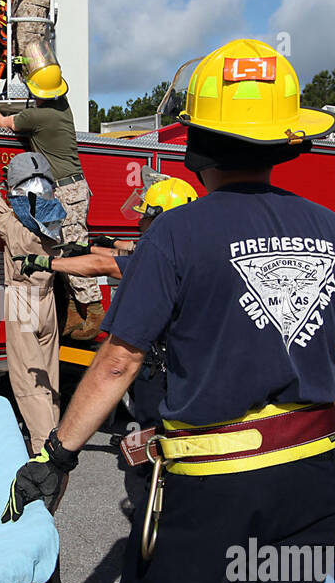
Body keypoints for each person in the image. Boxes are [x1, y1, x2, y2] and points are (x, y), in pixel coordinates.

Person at [1, 38, 335, 583]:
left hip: (206, 487)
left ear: (195, 140)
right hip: (308, 480)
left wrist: (58, 454)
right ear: (285, 143)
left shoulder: (176, 235)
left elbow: (117, 362)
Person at [15, 171, 198, 518]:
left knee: (152, 446)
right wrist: (94, 243)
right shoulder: (193, 251)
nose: (141, 221)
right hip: (184, 371)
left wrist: (49, 262)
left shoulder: (163, 260)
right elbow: (121, 250)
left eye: (148, 215)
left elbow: (105, 266)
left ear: (165, 218)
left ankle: (155, 512)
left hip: (160, 375)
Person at [0, 41, 104, 341]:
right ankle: (75, 311)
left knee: (73, 250)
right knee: (59, 251)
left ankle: (96, 311)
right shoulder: (62, 106)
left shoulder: (36, 117)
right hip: (67, 189)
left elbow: (0, 121)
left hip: (66, 192)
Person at [0, 151, 65, 454]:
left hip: (23, 303)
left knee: (27, 379)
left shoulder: (16, 230)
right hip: (47, 302)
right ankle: (55, 433)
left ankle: (45, 447)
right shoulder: (54, 231)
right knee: (49, 375)